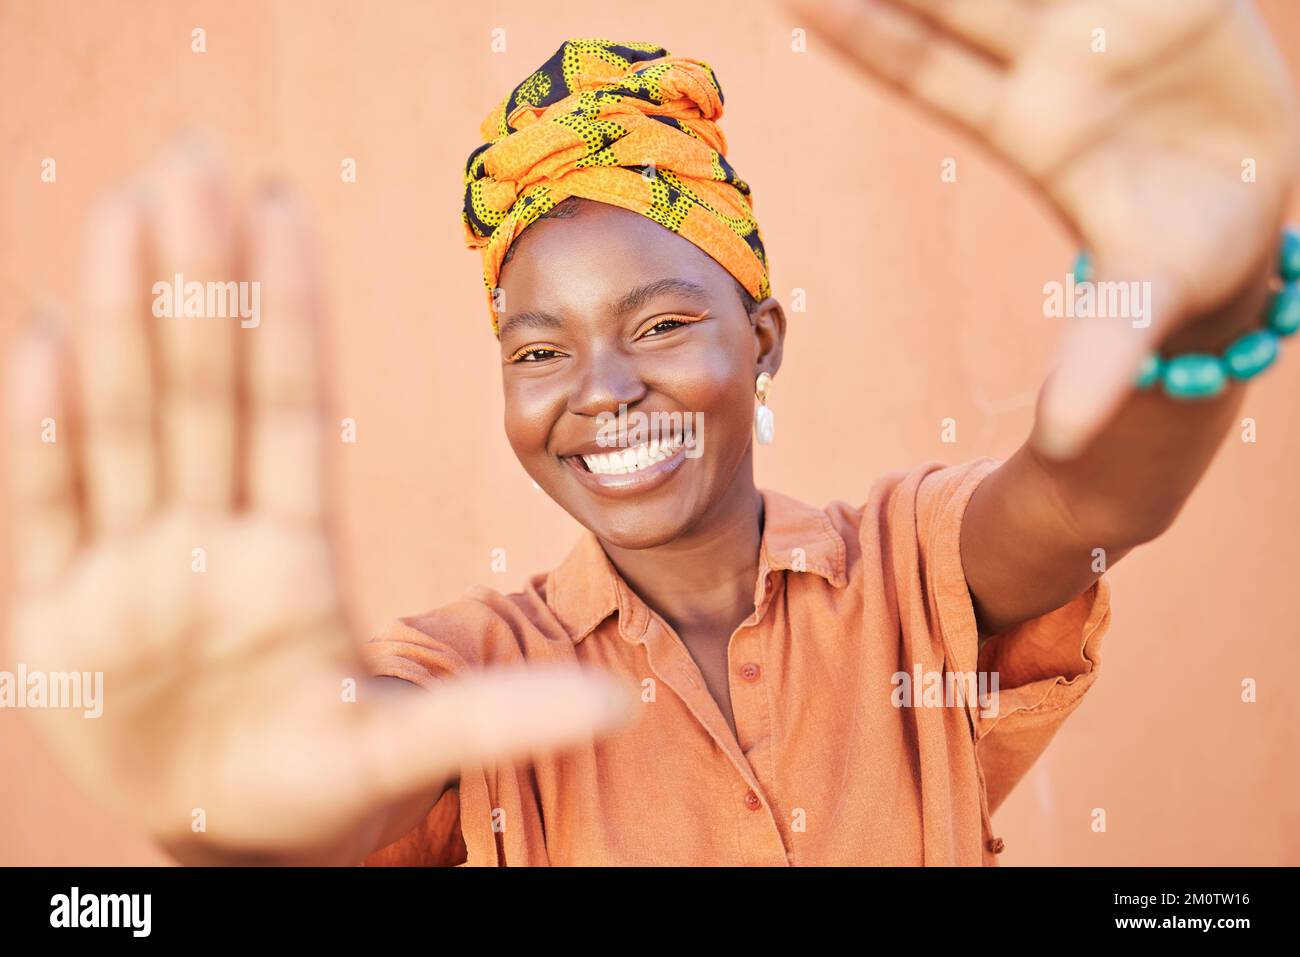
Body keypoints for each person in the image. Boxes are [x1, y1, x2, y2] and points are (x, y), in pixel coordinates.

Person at [6, 2, 1298, 866]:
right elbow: (338, 779)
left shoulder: (907, 572)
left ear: (766, 336)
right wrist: (219, 809)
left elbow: (1086, 502)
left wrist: (1203, 302)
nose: (602, 389)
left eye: (663, 323)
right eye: (539, 350)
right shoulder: (474, 680)